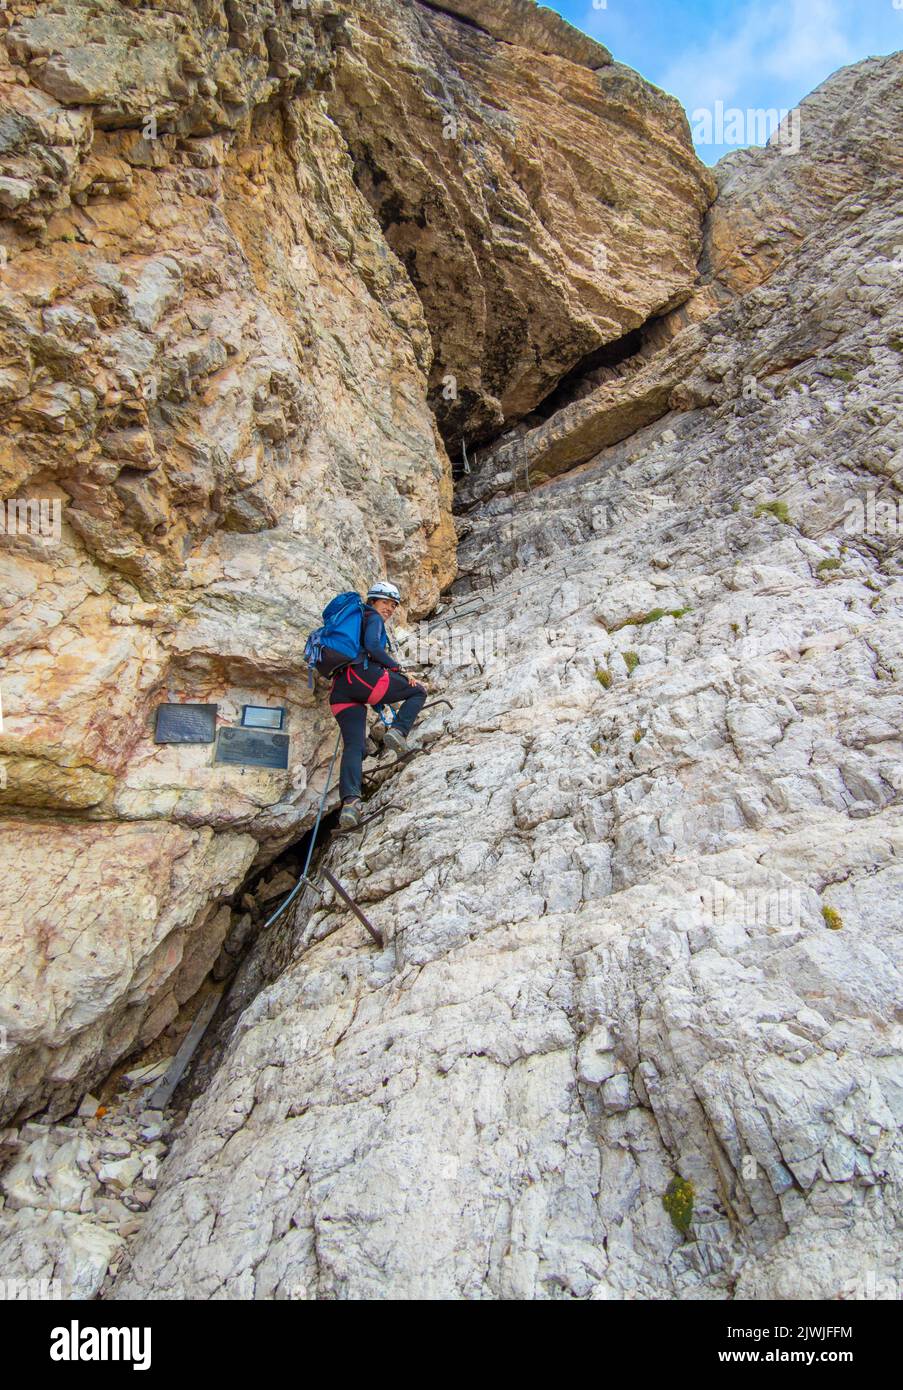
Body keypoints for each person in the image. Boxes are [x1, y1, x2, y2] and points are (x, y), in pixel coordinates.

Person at [330, 581, 427, 828]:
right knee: (418, 691)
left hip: (341, 691)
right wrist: (399, 669)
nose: (391, 609)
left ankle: (350, 804)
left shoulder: (354, 622)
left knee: (355, 746)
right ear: (372, 601)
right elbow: (373, 647)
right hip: (364, 678)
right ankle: (398, 731)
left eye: (394, 605)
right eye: (386, 602)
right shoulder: (371, 616)